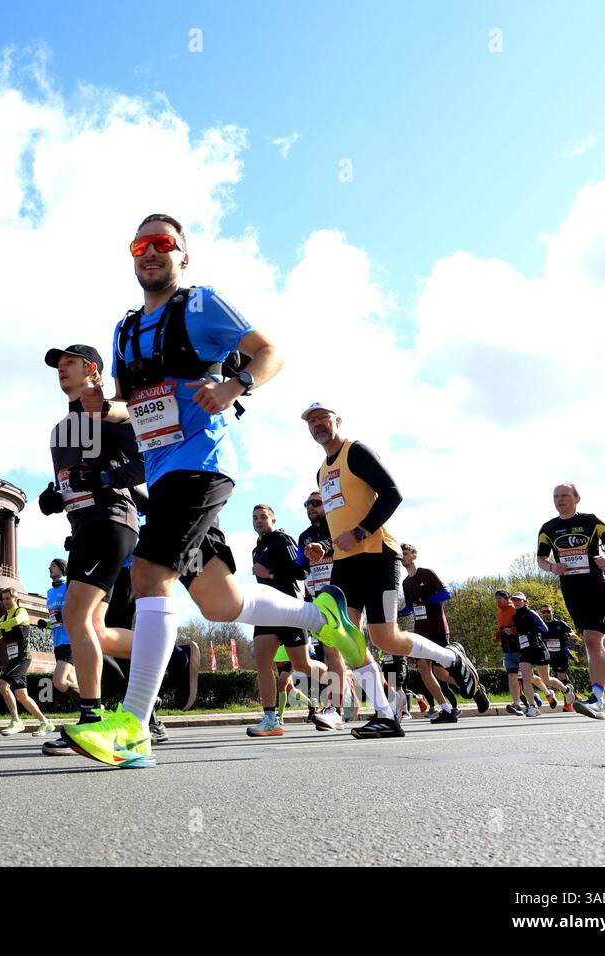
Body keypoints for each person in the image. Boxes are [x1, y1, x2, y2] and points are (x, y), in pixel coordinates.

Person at [69, 214, 365, 768]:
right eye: (141, 244)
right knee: (220, 600)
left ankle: (132, 727)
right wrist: (102, 408)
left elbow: (269, 351)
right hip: (160, 475)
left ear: (183, 256)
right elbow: (132, 407)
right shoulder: (124, 330)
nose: (151, 252)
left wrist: (236, 383)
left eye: (164, 244)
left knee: (149, 573)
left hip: (201, 465)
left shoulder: (202, 305)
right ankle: (321, 616)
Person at [40, 343, 196, 758]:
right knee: (95, 629)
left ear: (92, 369)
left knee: (75, 615)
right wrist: (56, 494)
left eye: (69, 363)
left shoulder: (109, 413)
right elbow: (73, 476)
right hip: (83, 525)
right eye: (59, 366)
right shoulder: (61, 429)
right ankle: (174, 656)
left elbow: (146, 461)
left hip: (110, 521)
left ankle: (92, 717)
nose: (61, 370)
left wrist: (105, 476)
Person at [302, 403, 482, 739]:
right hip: (345, 564)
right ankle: (383, 715)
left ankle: (450, 657)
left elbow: (392, 494)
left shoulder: (355, 453)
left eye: (323, 418)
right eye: (311, 421)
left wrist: (360, 533)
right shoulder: (321, 472)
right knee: (340, 634)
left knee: (386, 638)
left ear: (337, 420)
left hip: (378, 557)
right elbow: (338, 520)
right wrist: (325, 547)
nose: (317, 425)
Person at [537, 484, 605, 721]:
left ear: (577, 498)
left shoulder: (590, 521)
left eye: (565, 495)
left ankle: (597, 700)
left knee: (591, 640)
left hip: (597, 587)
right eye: (555, 496)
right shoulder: (548, 528)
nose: (560, 500)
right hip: (571, 590)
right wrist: (551, 567)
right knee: (601, 644)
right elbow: (541, 559)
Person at [247, 503, 328, 737]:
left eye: (263, 517)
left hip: (289, 609)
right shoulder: (256, 549)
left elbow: (301, 572)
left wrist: (270, 573)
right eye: (255, 518)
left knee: (303, 665)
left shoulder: (283, 540)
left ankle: (341, 683)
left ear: (273, 520)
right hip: (266, 610)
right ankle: (271, 719)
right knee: (262, 663)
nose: (259, 521)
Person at [0, 588, 55, 737]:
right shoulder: (2, 619)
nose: (5, 601)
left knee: (3, 685)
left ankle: (16, 721)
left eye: (8, 598)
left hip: (22, 658)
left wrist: (0, 626)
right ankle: (45, 722)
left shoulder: (21, 612)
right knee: (22, 695)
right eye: (4, 599)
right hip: (14, 659)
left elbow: (16, 622)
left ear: (15, 599)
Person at [399, 544, 463, 723]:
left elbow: (447, 594)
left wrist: (429, 600)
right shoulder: (406, 583)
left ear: (414, 555)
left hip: (438, 629)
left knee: (442, 672)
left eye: (405, 553)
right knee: (423, 668)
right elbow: (410, 608)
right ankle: (445, 709)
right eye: (400, 554)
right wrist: (396, 613)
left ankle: (473, 688)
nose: (402, 557)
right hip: (421, 632)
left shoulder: (426, 574)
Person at [297, 491, 345, 729]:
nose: (311, 507)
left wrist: (324, 547)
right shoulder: (304, 536)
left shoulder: (337, 524)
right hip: (318, 601)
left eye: (316, 503)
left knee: (347, 654)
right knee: (331, 653)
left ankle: (337, 707)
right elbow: (299, 570)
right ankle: (337, 706)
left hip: (343, 597)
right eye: (308, 504)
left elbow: (336, 544)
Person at [509, 592, 574, 716]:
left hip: (538, 649)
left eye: (519, 600)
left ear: (525, 601)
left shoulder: (531, 613)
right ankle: (533, 708)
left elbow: (544, 628)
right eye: (514, 600)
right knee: (526, 680)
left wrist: (529, 632)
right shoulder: (515, 617)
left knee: (546, 679)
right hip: (525, 651)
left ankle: (566, 689)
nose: (516, 602)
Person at [539, 603, 578, 712]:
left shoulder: (559, 624)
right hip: (547, 655)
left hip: (561, 654)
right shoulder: (541, 625)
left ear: (552, 612)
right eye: (543, 612)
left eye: (548, 611)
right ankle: (574, 695)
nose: (546, 614)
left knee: (561, 676)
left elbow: (572, 632)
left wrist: (570, 635)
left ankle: (568, 704)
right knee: (547, 678)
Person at [45, 559, 75, 695]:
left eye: (53, 565)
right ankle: (90, 713)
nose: (49, 568)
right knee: (70, 680)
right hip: (58, 643)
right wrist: (45, 624)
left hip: (71, 641)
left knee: (59, 681)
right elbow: (55, 619)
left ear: (62, 568)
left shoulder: (69, 586)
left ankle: (96, 707)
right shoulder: (49, 592)